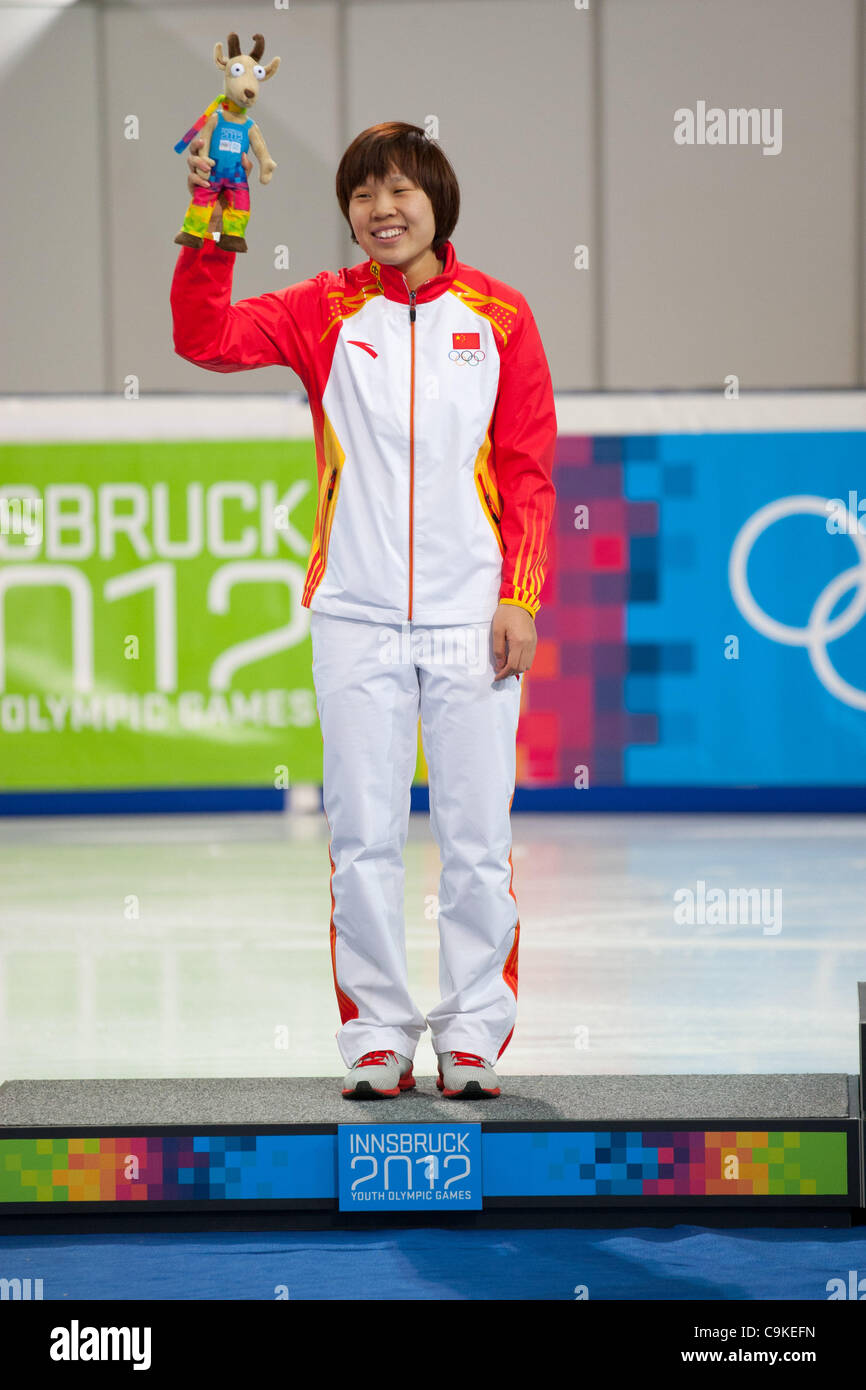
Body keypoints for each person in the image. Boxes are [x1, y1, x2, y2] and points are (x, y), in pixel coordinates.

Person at [170, 122, 557, 1099]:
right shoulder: (322, 310)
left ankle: (470, 1032)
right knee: (363, 834)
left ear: (436, 198)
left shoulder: (500, 316)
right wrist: (213, 218)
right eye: (360, 196)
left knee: (475, 836)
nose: (380, 210)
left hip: (473, 618)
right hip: (354, 615)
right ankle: (377, 1033)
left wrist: (519, 594)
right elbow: (201, 337)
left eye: (397, 191)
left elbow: (528, 471)